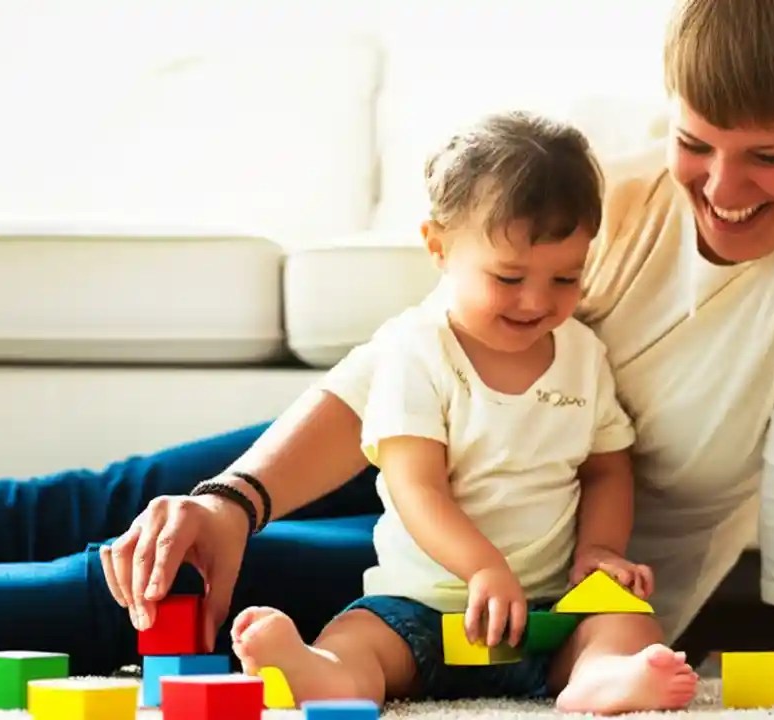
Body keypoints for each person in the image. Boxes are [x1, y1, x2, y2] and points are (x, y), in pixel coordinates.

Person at [0, 0, 774, 691]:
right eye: (698, 143)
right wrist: (236, 498)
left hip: (518, 568)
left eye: (767, 158)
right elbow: (415, 358)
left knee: (144, 590)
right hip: (419, 440)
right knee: (145, 504)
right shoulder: (617, 184)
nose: (722, 189)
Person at [226, 110, 698, 713]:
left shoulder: (583, 353)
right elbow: (417, 487)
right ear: (439, 247)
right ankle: (320, 671)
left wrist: (600, 551)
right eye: (508, 276)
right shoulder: (416, 350)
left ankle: (599, 676)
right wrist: (483, 569)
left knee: (623, 621)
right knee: (361, 640)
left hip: (548, 610)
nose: (536, 301)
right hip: (422, 606)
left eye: (565, 277)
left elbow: (607, 468)